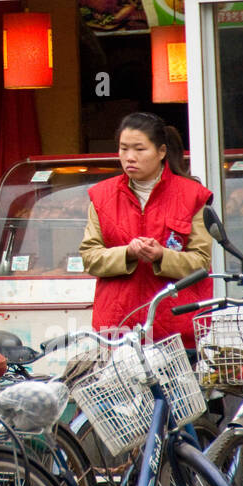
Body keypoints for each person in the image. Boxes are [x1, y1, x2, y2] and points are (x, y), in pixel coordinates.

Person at [79, 112, 212, 347]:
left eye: (140, 149)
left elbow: (201, 262)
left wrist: (163, 256)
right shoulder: (102, 196)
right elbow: (90, 258)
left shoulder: (191, 195)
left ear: (161, 152)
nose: (130, 157)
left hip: (177, 328)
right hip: (119, 328)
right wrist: (127, 253)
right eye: (123, 149)